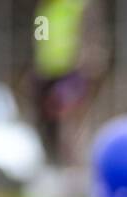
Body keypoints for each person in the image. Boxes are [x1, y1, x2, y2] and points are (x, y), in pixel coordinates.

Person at [32, 0, 105, 167]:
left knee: (69, 120)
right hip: (46, 74)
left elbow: (93, 38)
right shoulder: (44, 9)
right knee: (49, 124)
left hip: (73, 72)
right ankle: (55, 166)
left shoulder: (78, 6)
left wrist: (87, 68)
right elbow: (40, 41)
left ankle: (76, 168)